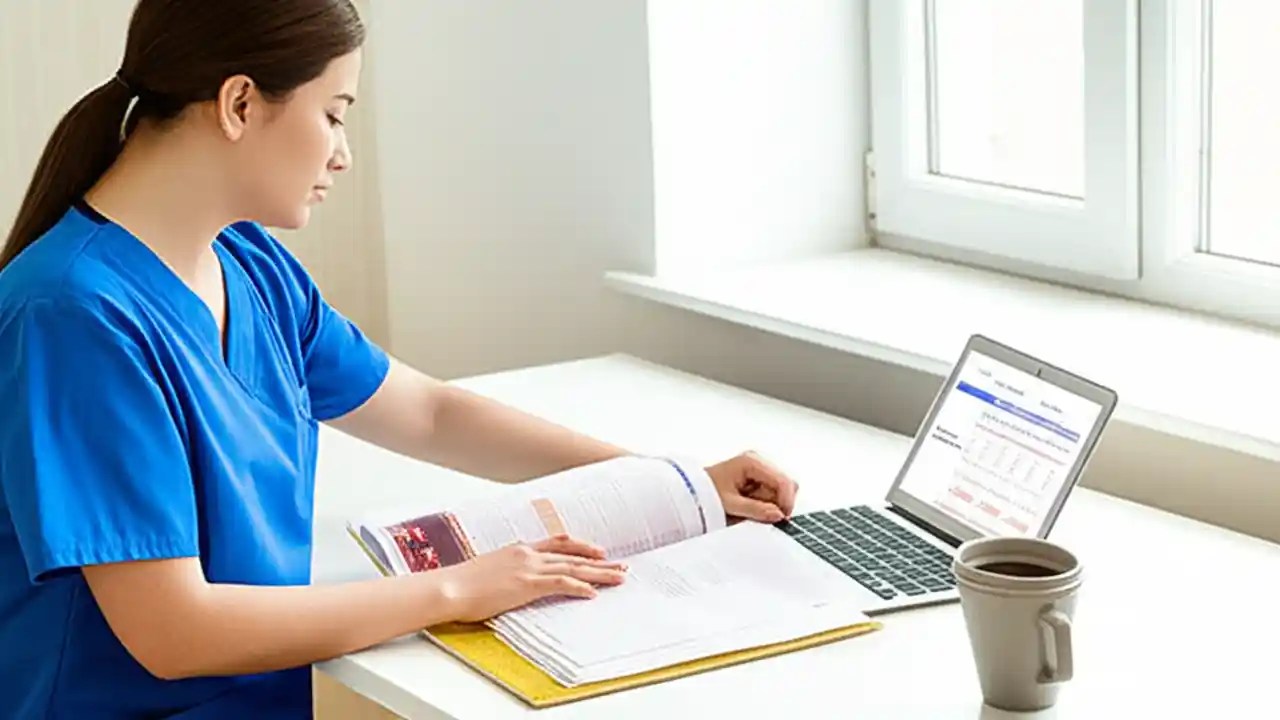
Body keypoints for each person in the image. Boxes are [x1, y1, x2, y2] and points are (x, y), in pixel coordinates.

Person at [0, 1, 800, 717]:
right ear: (241, 103)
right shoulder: (73, 316)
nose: (343, 153)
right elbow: (173, 634)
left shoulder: (247, 263)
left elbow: (427, 412)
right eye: (335, 113)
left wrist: (672, 485)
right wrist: (456, 588)